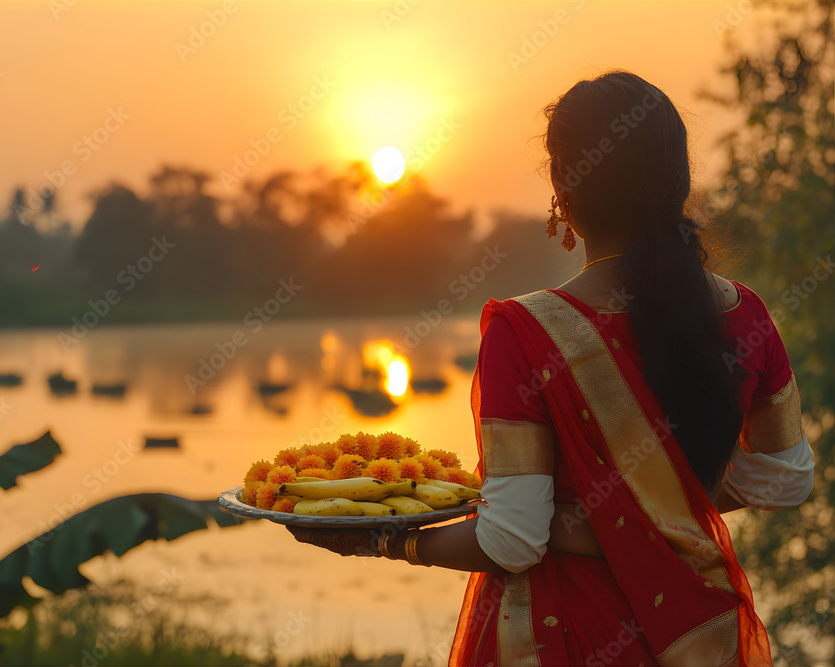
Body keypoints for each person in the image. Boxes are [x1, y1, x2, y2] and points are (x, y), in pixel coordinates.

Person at [287, 70, 814, 666]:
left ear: (562, 185)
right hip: (699, 631)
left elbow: (512, 540)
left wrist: (385, 539)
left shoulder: (526, 333)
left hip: (564, 637)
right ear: (679, 180)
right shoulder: (744, 314)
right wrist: (655, 508)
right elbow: (785, 476)